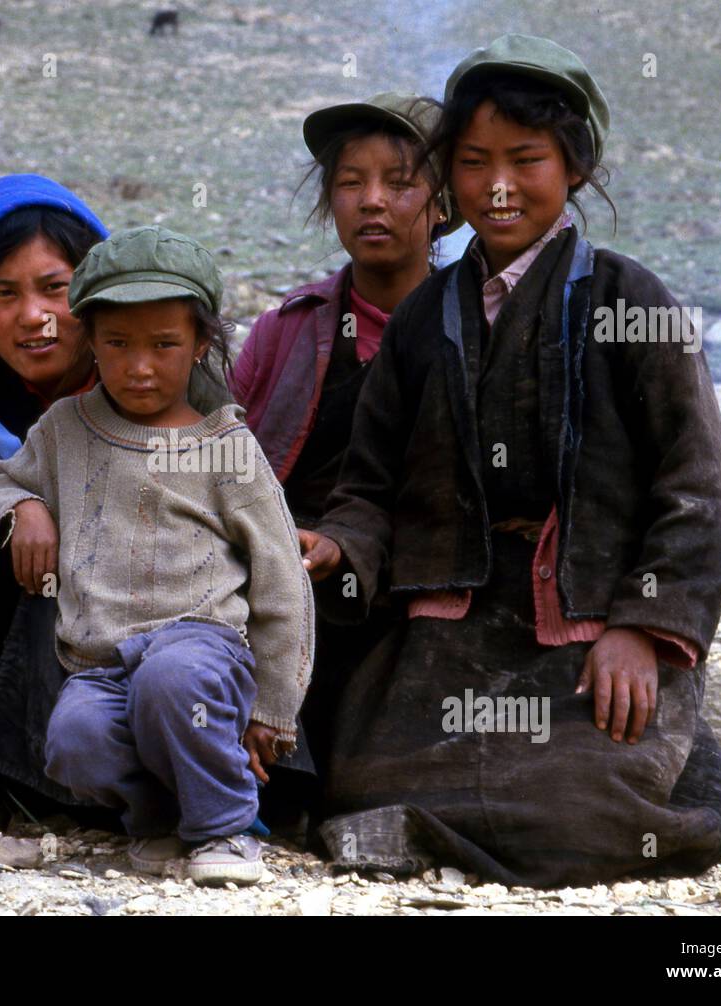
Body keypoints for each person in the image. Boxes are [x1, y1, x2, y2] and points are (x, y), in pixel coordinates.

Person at [298, 35, 721, 887]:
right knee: (358, 787)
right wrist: (339, 545)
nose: (499, 185)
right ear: (449, 182)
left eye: (526, 159)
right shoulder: (427, 319)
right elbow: (370, 486)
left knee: (592, 800)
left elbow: (698, 488)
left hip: (589, 622)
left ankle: (476, 835)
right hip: (454, 626)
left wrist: (643, 630)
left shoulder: (631, 301)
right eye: (472, 162)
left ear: (575, 166)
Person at [0, 176, 228, 836]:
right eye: (5, 294)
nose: (34, 315)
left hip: (143, 674)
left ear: (92, 296)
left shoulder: (181, 395)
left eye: (54, 288)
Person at [0, 226, 314, 885]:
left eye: (164, 345)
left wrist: (273, 706)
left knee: (171, 682)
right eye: (118, 345)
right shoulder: (67, 428)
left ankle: (227, 826)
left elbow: (282, 579)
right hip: (102, 662)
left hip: (205, 654)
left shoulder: (226, 445)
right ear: (90, 339)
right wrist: (24, 507)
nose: (140, 366)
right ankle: (162, 818)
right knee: (74, 741)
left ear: (201, 343)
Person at [228, 92, 457, 813]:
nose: (372, 201)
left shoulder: (472, 334)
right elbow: (218, 452)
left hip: (409, 584)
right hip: (280, 571)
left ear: (443, 202)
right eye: (351, 182)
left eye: (400, 181)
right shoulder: (284, 330)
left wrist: (349, 546)